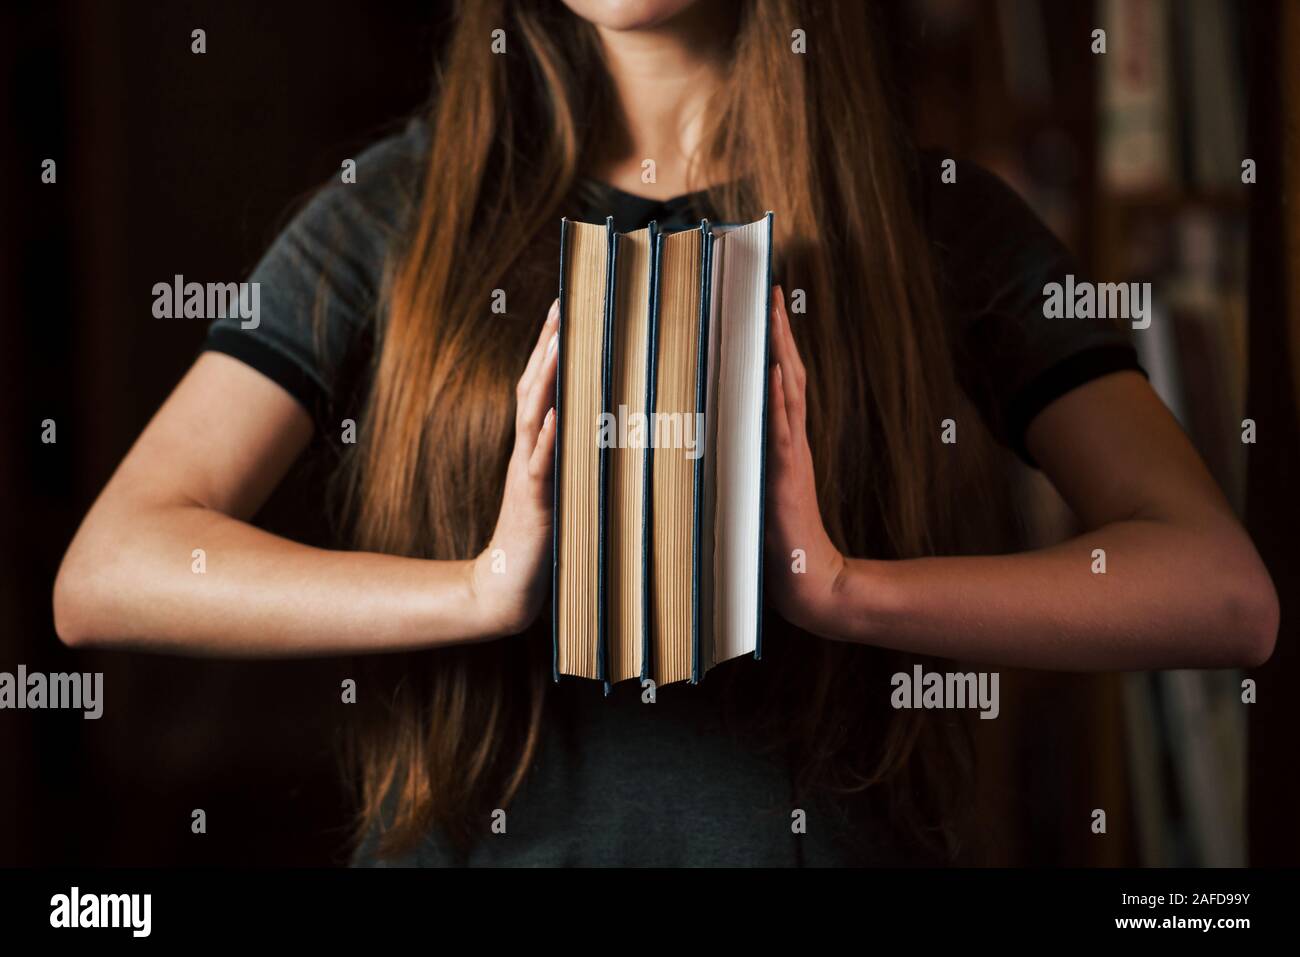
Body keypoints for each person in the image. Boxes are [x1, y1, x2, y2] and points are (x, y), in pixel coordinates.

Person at [53, 0, 1277, 866]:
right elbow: (111, 572)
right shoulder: (395, 213)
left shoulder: (934, 224)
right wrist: (476, 593)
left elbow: (1221, 595)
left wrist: (847, 592)